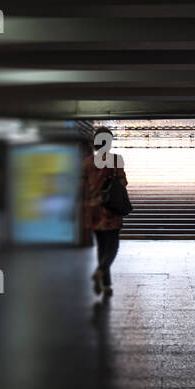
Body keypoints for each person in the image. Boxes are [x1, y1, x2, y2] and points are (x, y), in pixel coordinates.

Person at [81, 127, 128, 298]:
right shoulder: (116, 160)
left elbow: (83, 186)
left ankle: (107, 285)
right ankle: (100, 272)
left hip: (93, 210)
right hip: (111, 209)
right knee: (113, 245)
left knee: (101, 246)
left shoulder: (86, 162)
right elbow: (123, 183)